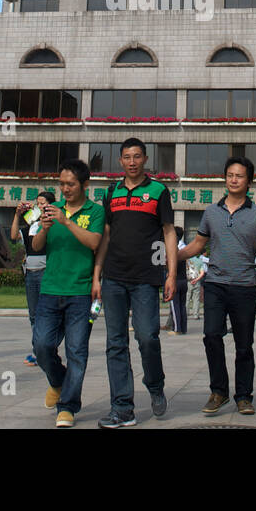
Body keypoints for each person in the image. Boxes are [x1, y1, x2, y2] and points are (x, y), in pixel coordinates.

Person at [92, 138, 177, 428]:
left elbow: (168, 232)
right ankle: (122, 408)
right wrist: (97, 275)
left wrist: (172, 274)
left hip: (146, 278)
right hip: (114, 278)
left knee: (147, 337)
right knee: (115, 343)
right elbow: (105, 234)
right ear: (120, 161)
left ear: (145, 159)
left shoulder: (158, 191)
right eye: (126, 157)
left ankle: (155, 384)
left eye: (137, 156)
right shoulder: (111, 191)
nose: (131, 161)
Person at [178, 156, 256, 416]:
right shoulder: (211, 212)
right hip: (216, 284)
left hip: (243, 285)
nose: (233, 179)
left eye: (239, 176)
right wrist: (174, 256)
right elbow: (198, 245)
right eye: (230, 175)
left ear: (249, 181)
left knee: (244, 345)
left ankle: (243, 396)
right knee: (211, 336)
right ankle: (218, 391)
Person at [32, 159, 104, 427]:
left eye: (70, 184)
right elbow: (38, 245)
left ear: (84, 184)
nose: (65, 189)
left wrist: (67, 221)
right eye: (61, 184)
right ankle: (58, 381)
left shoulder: (94, 212)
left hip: (80, 291)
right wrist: (46, 227)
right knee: (41, 346)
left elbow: (94, 242)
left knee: (77, 351)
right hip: (50, 289)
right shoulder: (52, 210)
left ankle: (68, 406)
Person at [13, 191, 52, 364]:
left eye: (43, 203)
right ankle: (38, 350)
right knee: (33, 314)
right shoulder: (32, 224)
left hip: (45, 272)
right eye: (38, 203)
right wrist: (17, 215)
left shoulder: (52, 224)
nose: (39, 206)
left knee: (45, 314)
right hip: (30, 273)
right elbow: (14, 236)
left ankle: (44, 351)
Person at [169, 237, 188, 335]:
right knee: (182, 305)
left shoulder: (173, 256)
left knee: (175, 305)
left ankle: (177, 328)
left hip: (176, 281)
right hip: (184, 281)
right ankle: (184, 327)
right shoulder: (183, 254)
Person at [186, 247, 206, 321]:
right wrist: (197, 279)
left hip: (188, 281)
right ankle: (196, 315)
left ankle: (185, 314)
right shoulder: (199, 261)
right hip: (197, 281)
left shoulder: (187, 261)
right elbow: (202, 273)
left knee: (187, 298)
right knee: (196, 299)